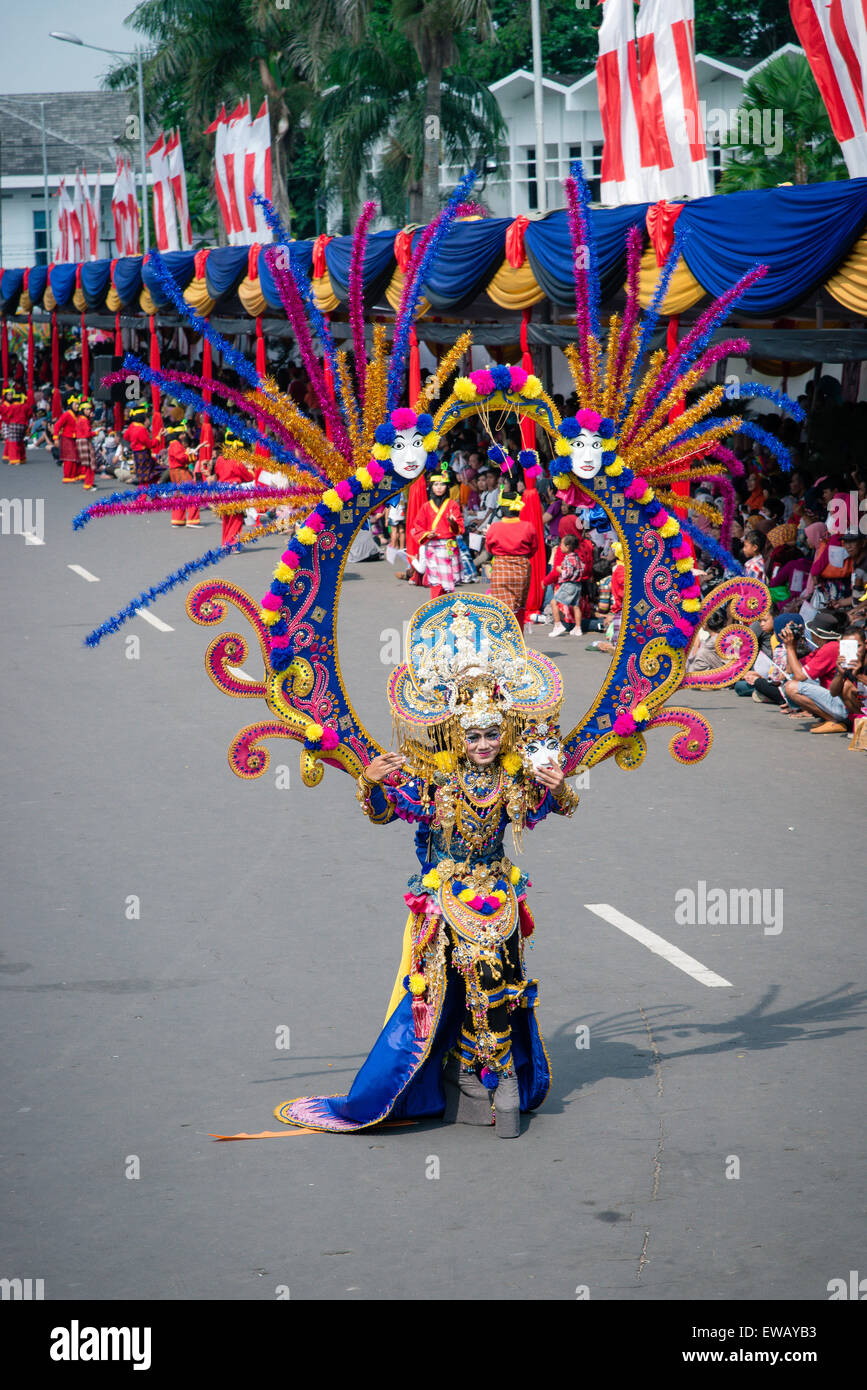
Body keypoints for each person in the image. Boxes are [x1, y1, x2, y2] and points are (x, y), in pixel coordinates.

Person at [276, 595, 579, 1137]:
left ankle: (486, 1073)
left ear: (504, 734)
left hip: (500, 898)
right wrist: (371, 780)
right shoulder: (432, 780)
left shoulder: (513, 778)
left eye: (492, 734)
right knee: (457, 989)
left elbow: (542, 808)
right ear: (454, 735)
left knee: (503, 987)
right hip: (445, 901)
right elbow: (386, 812)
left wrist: (563, 791)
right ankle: (481, 1077)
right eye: (473, 735)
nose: (484, 744)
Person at [780, 610, 847, 728]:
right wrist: (793, 645)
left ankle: (833, 721)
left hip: (840, 703)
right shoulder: (823, 648)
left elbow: (800, 676)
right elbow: (792, 670)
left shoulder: (831, 648)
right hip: (833, 698)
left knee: (791, 687)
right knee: (791, 681)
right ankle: (829, 718)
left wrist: (790, 648)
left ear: (817, 635)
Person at [482, 482, 538, 623]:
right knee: (518, 606)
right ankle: (518, 639)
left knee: (501, 607)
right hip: (522, 569)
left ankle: (503, 639)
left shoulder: (494, 528)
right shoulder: (528, 527)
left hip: (501, 569)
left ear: (502, 508)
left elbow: (489, 549)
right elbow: (533, 548)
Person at [411, 466, 463, 599]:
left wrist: (452, 523)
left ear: (447, 487)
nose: (439, 487)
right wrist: (427, 534)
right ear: (431, 487)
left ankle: (449, 607)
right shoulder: (426, 507)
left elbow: (460, 527)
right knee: (435, 580)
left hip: (449, 545)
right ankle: (436, 606)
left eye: (442, 484)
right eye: (436, 485)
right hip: (432, 546)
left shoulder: (452, 505)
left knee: (449, 580)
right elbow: (418, 525)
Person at [545, 532, 583, 636]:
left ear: (568, 546)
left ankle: (558, 625)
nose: (560, 547)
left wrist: (560, 570)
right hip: (577, 584)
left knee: (554, 602)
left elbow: (568, 573)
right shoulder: (576, 557)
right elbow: (580, 569)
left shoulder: (568, 558)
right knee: (576, 606)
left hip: (568, 584)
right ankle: (578, 628)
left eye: (561, 544)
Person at [165, 424, 201, 527]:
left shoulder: (174, 444)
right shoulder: (175, 444)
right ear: (180, 435)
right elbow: (181, 458)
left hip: (176, 472)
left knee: (179, 496)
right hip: (180, 472)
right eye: (184, 433)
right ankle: (192, 520)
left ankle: (178, 520)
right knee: (192, 493)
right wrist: (191, 454)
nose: (185, 435)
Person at [54, 395, 81, 482]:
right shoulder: (67, 414)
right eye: (75, 404)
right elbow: (58, 425)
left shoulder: (78, 415)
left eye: (78, 404)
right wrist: (56, 438)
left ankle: (74, 475)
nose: (77, 406)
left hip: (75, 439)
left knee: (75, 458)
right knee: (69, 458)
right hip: (67, 439)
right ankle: (67, 476)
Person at [1, 387, 30, 466]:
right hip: (7, 423)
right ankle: (9, 456)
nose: (10, 396)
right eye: (9, 394)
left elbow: (10, 414)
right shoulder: (4, 405)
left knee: (13, 442)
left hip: (12, 424)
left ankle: (14, 458)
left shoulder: (12, 405)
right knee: (11, 441)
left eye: (11, 394)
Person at [74, 399, 97, 490]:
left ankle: (89, 483)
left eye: (89, 409)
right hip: (85, 441)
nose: (89, 411)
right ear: (83, 410)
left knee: (87, 464)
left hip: (80, 441)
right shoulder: (84, 420)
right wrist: (96, 433)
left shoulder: (80, 418)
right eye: (87, 409)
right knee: (90, 464)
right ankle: (88, 484)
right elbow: (88, 434)